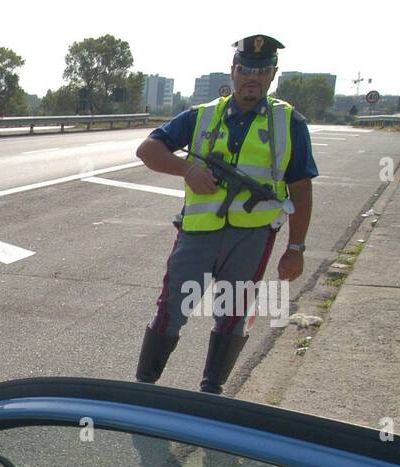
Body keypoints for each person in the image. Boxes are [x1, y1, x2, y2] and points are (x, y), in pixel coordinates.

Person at [133, 34, 318, 394]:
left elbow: (301, 188)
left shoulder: (289, 122)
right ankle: (143, 389)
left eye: (262, 70)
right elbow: (148, 150)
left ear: (273, 74)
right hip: (198, 233)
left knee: (232, 316)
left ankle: (212, 393)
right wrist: (187, 170)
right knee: (172, 308)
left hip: (252, 237)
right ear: (233, 71)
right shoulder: (202, 116)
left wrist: (297, 247)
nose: (254, 77)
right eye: (246, 68)